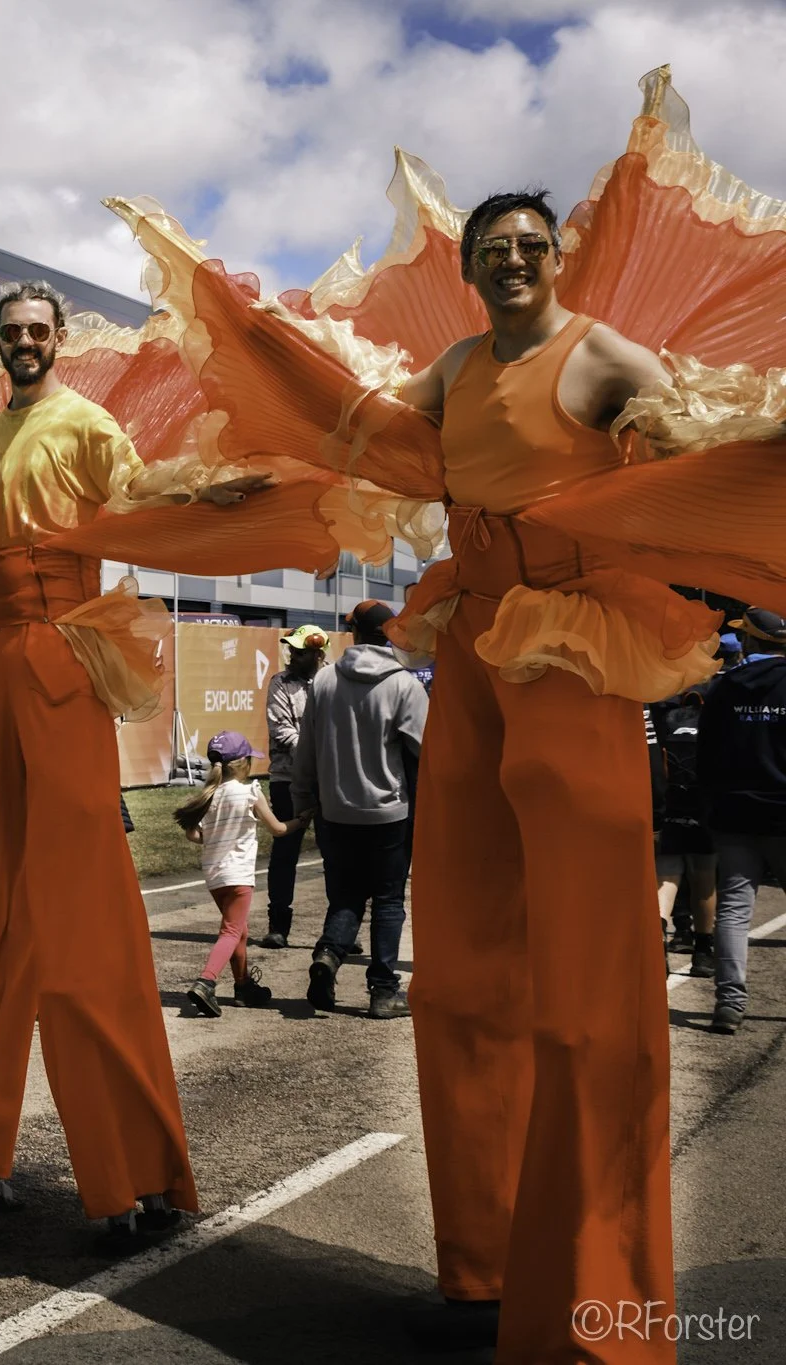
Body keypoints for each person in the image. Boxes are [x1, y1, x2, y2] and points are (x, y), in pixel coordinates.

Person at [104, 76, 786, 1351]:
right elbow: (350, 432)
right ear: (472, 272)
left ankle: (598, 1298)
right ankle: (480, 1257)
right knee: (460, 974)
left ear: (552, 258)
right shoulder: (461, 365)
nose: (514, 259)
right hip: (470, 661)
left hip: (576, 660)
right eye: (494, 249)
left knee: (587, 981)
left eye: (530, 244)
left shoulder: (598, 354)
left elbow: (699, 430)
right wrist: (219, 485)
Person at [0, 278, 277, 1243]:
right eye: (13, 332)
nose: (27, 342)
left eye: (40, 331)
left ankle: (137, 1170)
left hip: (58, 662)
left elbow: (141, 494)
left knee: (82, 914)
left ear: (58, 339)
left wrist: (213, 489)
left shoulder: (85, 424)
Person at [293, 600, 427, 1020]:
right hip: (389, 813)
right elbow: (428, 749)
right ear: (388, 633)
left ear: (354, 634)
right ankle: (383, 991)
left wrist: (304, 802)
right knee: (387, 901)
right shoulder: (404, 685)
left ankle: (329, 955)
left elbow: (305, 752)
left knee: (346, 897)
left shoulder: (325, 681)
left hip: (336, 812)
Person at [697, 608, 786, 1036]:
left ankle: (729, 1004)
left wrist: (712, 802)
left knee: (734, 908)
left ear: (749, 642)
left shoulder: (724, 687)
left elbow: (706, 754)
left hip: (734, 811)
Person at [174, 731, 294, 1016]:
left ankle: (243, 986)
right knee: (230, 931)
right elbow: (277, 829)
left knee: (239, 930)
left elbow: (194, 834)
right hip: (239, 875)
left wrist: (216, 835)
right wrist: (301, 821)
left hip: (215, 877)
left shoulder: (209, 795)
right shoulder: (250, 792)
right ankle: (206, 981)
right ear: (243, 763)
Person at [263, 625, 327, 948]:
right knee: (286, 851)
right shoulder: (280, 683)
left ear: (318, 654)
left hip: (328, 782)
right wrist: (322, 752)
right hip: (287, 780)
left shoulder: (333, 682)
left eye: (300, 651)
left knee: (337, 853)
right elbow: (282, 732)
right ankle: (278, 925)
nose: (293, 656)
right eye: (292, 650)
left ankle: (339, 929)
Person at [646, 685, 716, 977]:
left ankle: (660, 936)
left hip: (670, 800)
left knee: (666, 874)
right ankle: (702, 952)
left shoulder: (659, 709)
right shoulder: (714, 708)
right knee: (704, 877)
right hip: (702, 805)